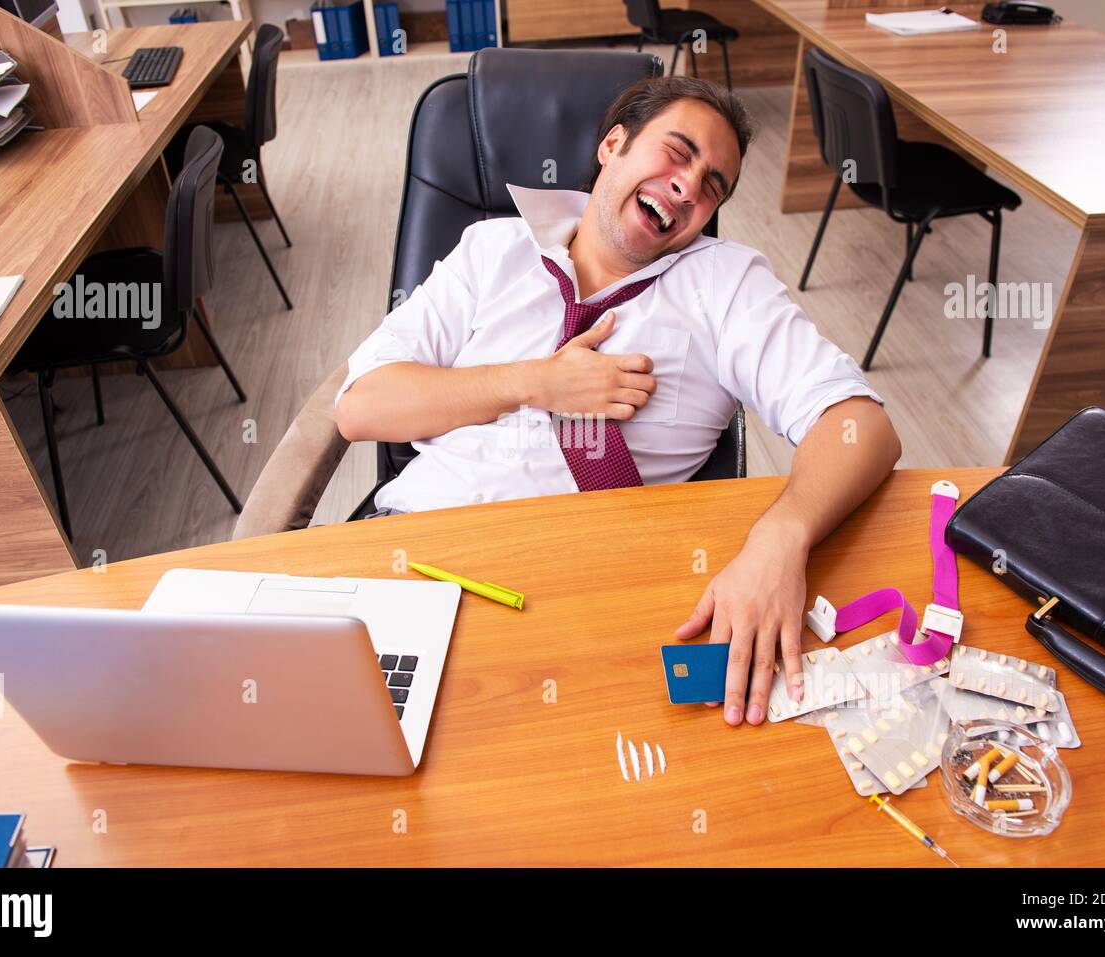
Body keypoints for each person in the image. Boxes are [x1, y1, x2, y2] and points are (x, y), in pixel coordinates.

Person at [335, 76, 902, 726]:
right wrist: (534, 382)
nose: (691, 185)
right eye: (678, 151)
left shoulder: (722, 282)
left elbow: (861, 426)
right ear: (612, 145)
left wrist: (782, 535)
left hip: (587, 604)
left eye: (713, 184)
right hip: (418, 562)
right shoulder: (492, 250)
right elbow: (360, 405)